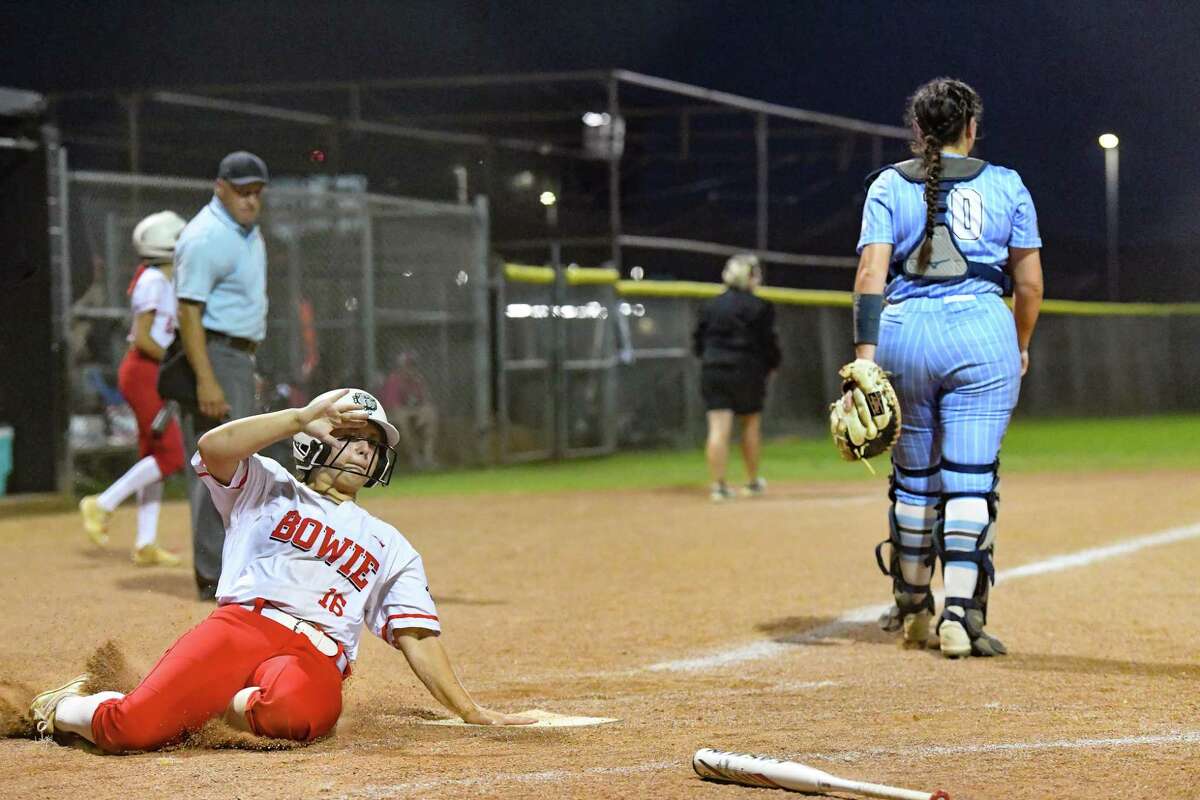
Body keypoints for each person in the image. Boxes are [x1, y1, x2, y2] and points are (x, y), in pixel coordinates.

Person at [30, 388, 534, 752]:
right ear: (315, 438)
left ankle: (206, 701)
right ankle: (65, 708)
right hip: (242, 626)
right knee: (133, 730)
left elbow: (418, 637)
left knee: (302, 714)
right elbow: (212, 448)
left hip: (319, 652)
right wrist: (296, 417)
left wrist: (471, 711)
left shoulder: (391, 544)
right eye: (352, 434)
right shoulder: (265, 483)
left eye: (372, 443)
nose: (365, 447)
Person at [852, 77, 1043, 658]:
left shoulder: (888, 184)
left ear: (918, 132)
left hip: (904, 334)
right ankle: (960, 616)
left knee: (914, 481)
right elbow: (1030, 283)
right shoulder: (1007, 184)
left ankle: (913, 608)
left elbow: (869, 279)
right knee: (970, 478)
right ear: (971, 128)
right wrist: (1019, 342)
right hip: (983, 332)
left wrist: (865, 363)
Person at [175, 151, 270, 600]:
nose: (250, 200)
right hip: (214, 352)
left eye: (256, 192)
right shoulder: (206, 236)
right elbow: (188, 311)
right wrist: (207, 379)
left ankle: (230, 564)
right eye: (242, 191)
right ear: (220, 187)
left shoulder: (246, 230)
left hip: (236, 355)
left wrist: (245, 366)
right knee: (218, 464)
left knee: (240, 462)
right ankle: (211, 575)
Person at [78, 210, 187, 567]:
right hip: (144, 372)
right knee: (171, 455)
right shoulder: (153, 279)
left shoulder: (162, 279)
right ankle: (102, 504)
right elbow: (142, 338)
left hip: (151, 372)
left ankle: (145, 543)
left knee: (151, 456)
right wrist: (175, 362)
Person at [691, 254, 782, 502]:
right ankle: (752, 482)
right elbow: (768, 342)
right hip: (748, 369)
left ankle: (719, 486)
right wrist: (773, 365)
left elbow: (698, 341)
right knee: (750, 423)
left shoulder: (710, 306)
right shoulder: (760, 306)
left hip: (714, 368)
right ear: (750, 276)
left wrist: (709, 358)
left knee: (718, 427)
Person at [377, 351, 439, 469]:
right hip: (390, 416)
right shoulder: (393, 380)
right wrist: (413, 413)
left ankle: (428, 458)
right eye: (408, 365)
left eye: (413, 365)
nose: (411, 368)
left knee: (430, 413)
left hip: (412, 414)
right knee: (403, 419)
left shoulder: (418, 380)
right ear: (400, 367)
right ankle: (415, 459)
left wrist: (421, 414)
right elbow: (393, 407)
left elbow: (425, 402)